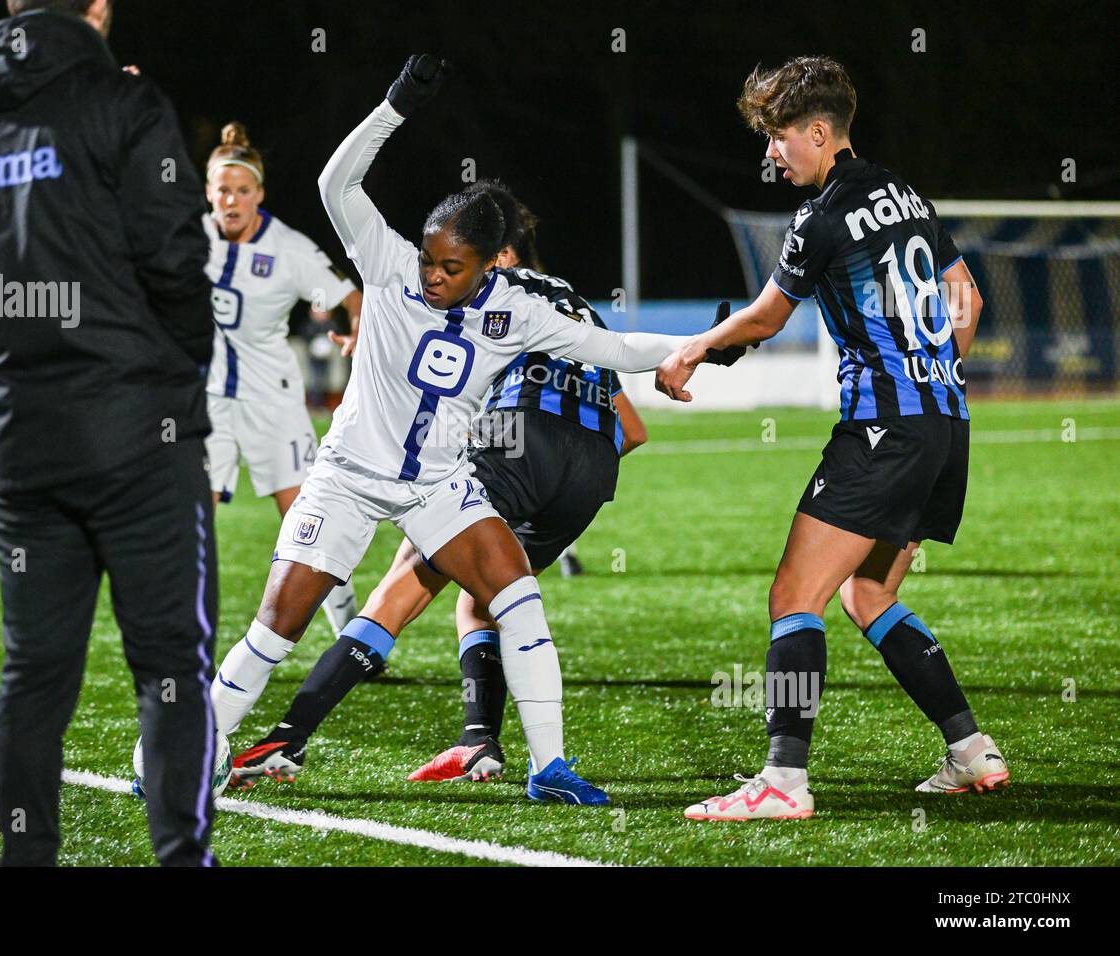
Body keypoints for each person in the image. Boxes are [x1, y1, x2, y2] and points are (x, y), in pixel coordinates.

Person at [207, 55, 696, 806]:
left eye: (451, 266)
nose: (433, 275)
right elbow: (336, 184)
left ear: (488, 267)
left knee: (517, 594)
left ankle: (548, 766)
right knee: (279, 624)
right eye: (431, 258)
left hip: (438, 485)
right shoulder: (388, 260)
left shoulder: (519, 310)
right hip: (348, 476)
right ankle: (193, 750)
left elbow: (614, 349)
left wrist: (690, 351)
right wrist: (395, 107)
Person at [0, 0, 220, 864]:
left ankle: (26, 857)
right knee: (170, 668)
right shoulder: (125, 104)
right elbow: (176, 261)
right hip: (139, 436)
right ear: (101, 9)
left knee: (33, 674)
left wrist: (14, 353)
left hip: (22, 446)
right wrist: (176, 361)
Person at [655, 56, 1006, 821]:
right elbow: (967, 299)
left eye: (779, 137)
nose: (771, 154)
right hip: (945, 423)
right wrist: (930, 375)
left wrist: (687, 351)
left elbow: (765, 318)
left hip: (885, 431)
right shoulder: (905, 194)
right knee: (869, 593)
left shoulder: (822, 218)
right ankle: (971, 749)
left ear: (819, 132)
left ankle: (783, 781)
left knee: (794, 595)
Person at [203, 121, 363, 636]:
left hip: (270, 397)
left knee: (303, 521)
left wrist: (357, 335)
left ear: (259, 195)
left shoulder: (289, 249)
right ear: (208, 193)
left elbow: (351, 299)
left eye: (242, 191)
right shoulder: (186, 235)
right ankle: (188, 641)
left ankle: (349, 630)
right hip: (203, 401)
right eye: (223, 190)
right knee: (190, 523)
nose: (232, 200)